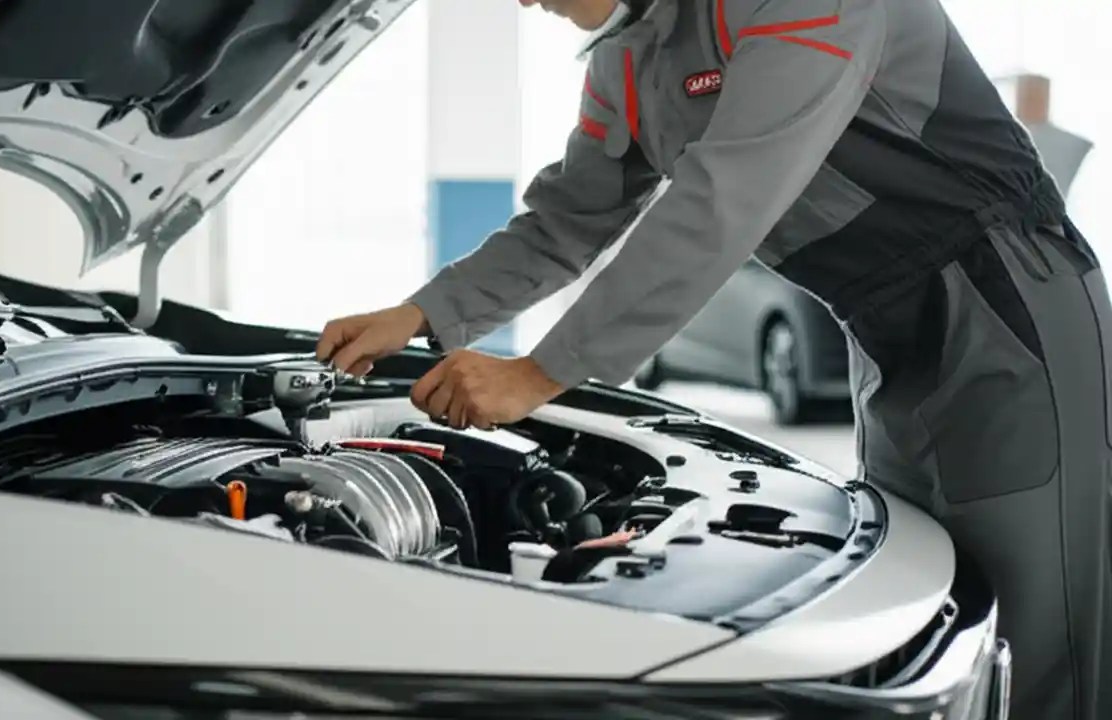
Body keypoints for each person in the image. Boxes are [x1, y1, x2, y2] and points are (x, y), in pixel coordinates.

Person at [315, 1, 1112, 717]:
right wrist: (422, 312)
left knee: (1037, 638)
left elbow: (722, 198)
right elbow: (566, 220)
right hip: (881, 334)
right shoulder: (625, 56)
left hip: (1003, 307)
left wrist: (538, 375)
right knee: (933, 615)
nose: (522, 0)